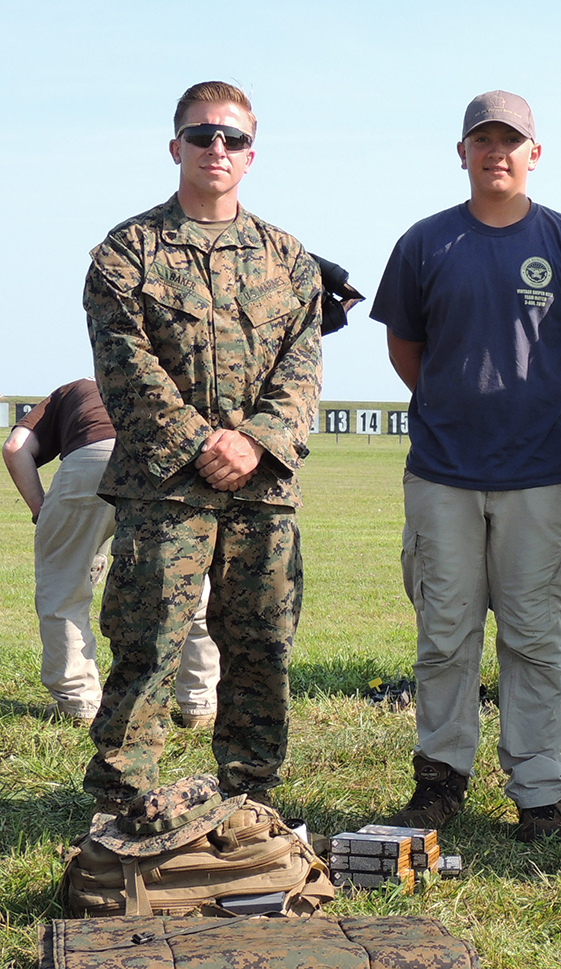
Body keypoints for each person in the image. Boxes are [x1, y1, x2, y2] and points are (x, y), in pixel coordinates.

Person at [81, 81, 322, 814]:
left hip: (261, 490)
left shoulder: (288, 259)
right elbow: (126, 367)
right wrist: (201, 443)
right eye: (202, 135)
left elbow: (302, 367)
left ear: (252, 154)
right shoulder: (126, 252)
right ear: (175, 146)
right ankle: (121, 797)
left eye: (233, 138)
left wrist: (253, 442)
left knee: (260, 648)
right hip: (165, 488)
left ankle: (251, 798)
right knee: (147, 641)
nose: (217, 148)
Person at [370, 90, 561, 842]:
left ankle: (539, 792)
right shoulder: (424, 244)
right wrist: (459, 402)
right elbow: (407, 352)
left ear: (535, 153)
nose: (497, 152)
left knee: (536, 637)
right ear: (462, 152)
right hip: (442, 473)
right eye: (483, 140)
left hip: (541, 475)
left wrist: (528, 413)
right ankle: (439, 781)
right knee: (445, 633)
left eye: (513, 140)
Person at [3, 380, 221, 728]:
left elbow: (15, 448)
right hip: (167, 462)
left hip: (92, 458)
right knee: (190, 590)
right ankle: (201, 703)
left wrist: (42, 511)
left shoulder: (74, 390)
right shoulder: (169, 382)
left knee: (64, 593)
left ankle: (79, 704)